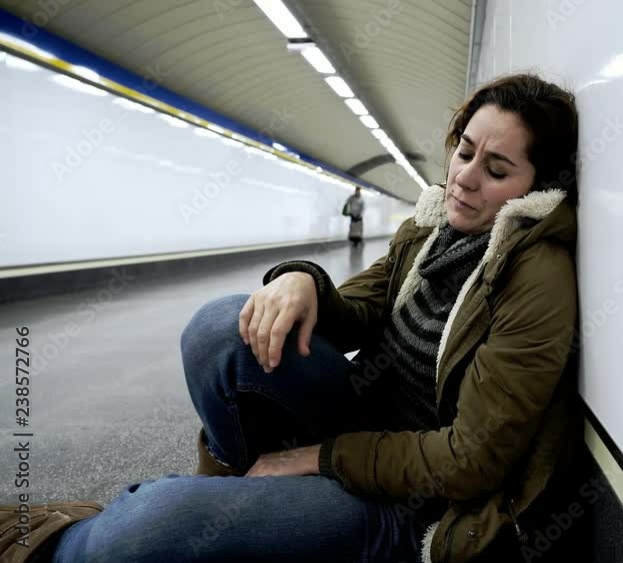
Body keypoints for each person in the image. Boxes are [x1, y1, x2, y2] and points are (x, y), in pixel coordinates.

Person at [0, 72, 580, 563]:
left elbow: (469, 461)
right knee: (218, 328)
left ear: (539, 188)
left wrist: (320, 458)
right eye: (465, 150)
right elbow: (358, 308)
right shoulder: (435, 227)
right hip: (359, 422)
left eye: (496, 169)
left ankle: (59, 537)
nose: (465, 176)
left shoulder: (536, 281)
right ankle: (234, 499)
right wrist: (302, 278)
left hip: (414, 501)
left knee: (147, 526)